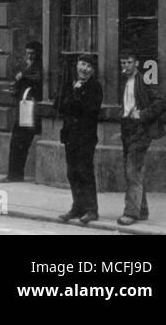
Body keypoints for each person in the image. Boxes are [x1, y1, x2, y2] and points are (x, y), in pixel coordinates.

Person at [116, 53, 166, 226]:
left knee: (133, 171)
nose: (126, 65)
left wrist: (142, 114)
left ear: (137, 63)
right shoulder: (124, 80)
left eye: (129, 62)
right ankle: (142, 209)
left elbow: (162, 101)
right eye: (123, 62)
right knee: (133, 170)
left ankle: (131, 213)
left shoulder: (146, 78)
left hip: (141, 129)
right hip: (127, 128)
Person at [57, 53, 103, 225]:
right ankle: (78, 207)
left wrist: (76, 92)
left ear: (93, 71)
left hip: (86, 137)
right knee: (72, 173)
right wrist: (69, 90)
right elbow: (59, 105)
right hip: (70, 136)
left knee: (85, 172)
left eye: (89, 66)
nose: (85, 69)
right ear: (77, 65)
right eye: (82, 64)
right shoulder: (70, 84)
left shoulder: (95, 87)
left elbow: (87, 109)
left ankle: (92, 210)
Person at [0, 40, 43, 183]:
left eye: (32, 53)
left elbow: (38, 79)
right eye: (28, 53)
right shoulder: (28, 67)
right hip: (24, 109)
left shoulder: (37, 67)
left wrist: (23, 77)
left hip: (31, 110)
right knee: (17, 141)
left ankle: (15, 174)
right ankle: (15, 174)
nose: (29, 56)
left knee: (20, 141)